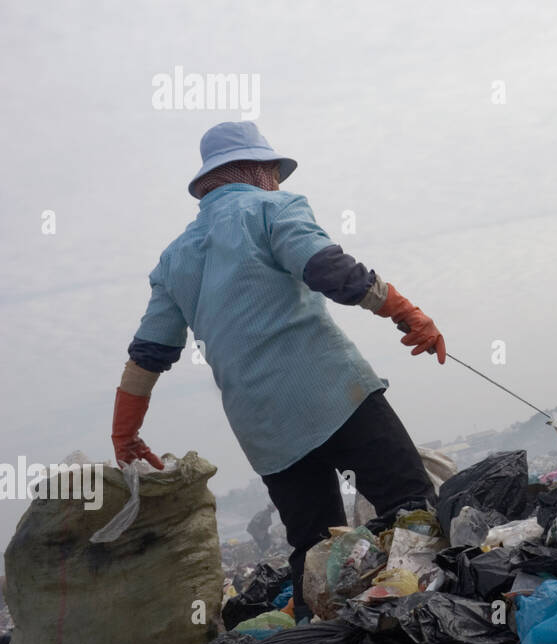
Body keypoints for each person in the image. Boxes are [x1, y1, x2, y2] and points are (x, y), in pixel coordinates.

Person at [112, 121, 447, 618]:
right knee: (411, 508)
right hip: (336, 393)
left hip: (265, 427)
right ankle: (437, 622)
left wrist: (126, 432)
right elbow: (327, 270)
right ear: (256, 171)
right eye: (271, 171)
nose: (275, 180)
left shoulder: (174, 259)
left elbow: (149, 353)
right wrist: (406, 312)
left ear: (208, 182)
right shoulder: (271, 208)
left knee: (315, 552)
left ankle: (324, 641)